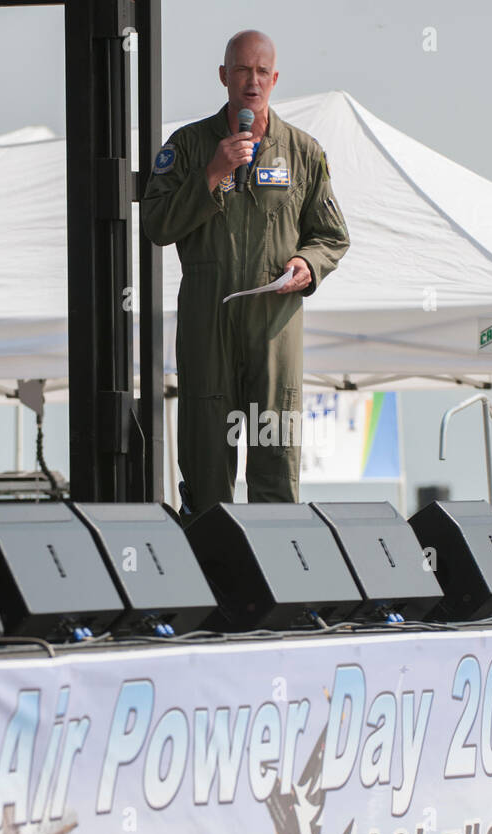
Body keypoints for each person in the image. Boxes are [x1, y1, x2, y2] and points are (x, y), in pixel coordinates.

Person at [140, 30, 349, 519]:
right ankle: (213, 575)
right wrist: (212, 172)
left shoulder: (303, 152)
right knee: (207, 461)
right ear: (224, 76)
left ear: (274, 79)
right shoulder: (188, 145)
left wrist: (307, 265)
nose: (251, 82)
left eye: (261, 72)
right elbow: (156, 225)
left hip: (274, 327)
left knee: (275, 456)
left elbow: (331, 236)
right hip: (207, 325)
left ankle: (276, 577)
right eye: (241, 70)